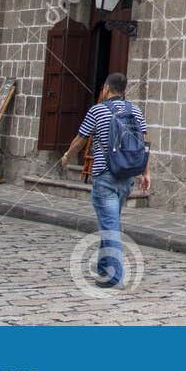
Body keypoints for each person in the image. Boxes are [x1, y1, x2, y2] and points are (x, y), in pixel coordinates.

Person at [62, 73, 149, 286]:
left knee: (110, 226)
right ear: (124, 90)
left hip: (105, 175)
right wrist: (146, 173)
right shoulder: (135, 111)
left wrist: (66, 157)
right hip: (127, 176)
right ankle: (103, 266)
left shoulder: (97, 110)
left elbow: (80, 139)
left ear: (106, 88)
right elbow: (143, 144)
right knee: (110, 221)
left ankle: (115, 276)